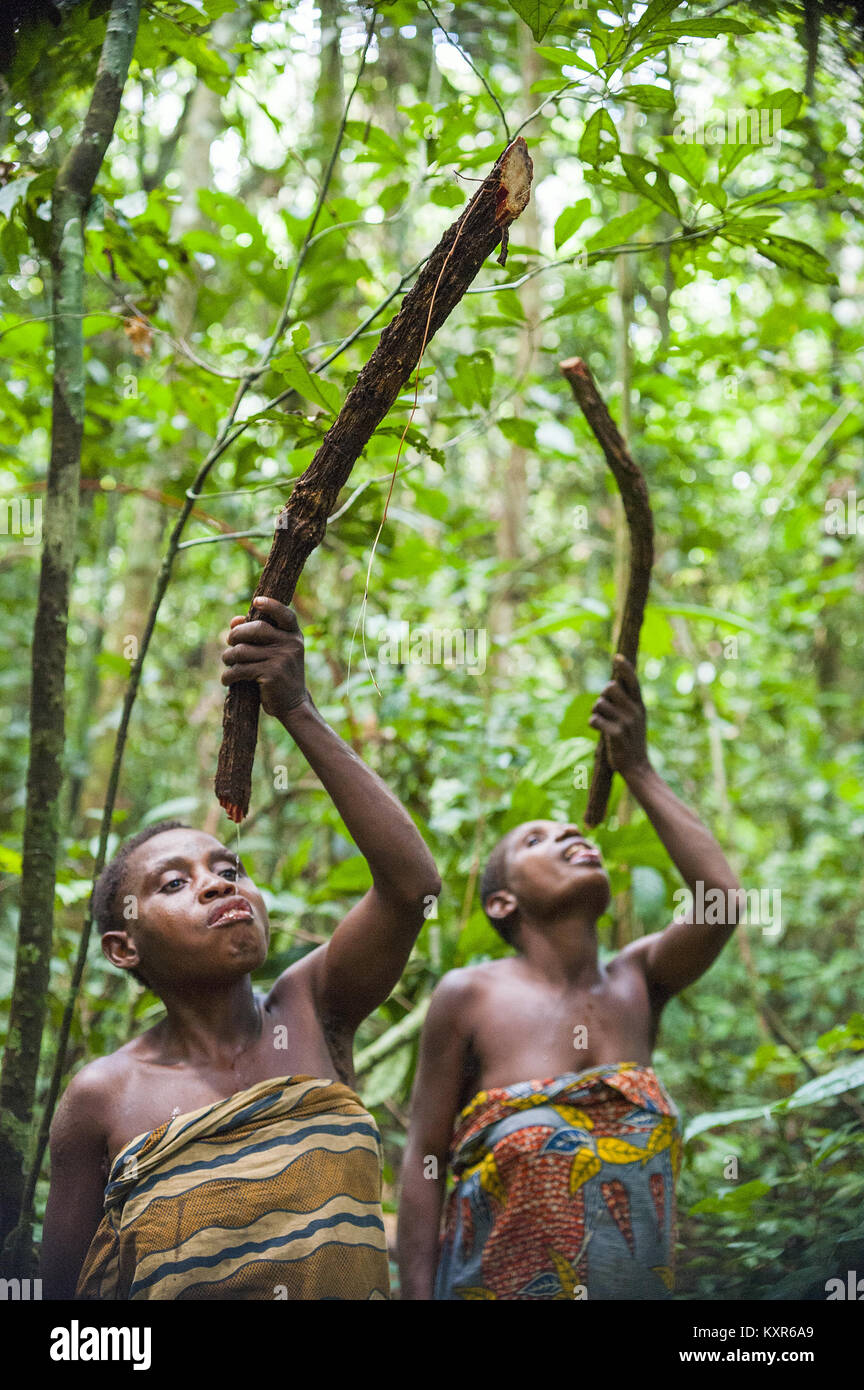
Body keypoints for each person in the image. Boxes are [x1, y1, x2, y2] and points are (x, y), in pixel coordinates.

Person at [42, 597, 440, 1300]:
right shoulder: (101, 1098)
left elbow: (411, 889)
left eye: (230, 870)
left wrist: (297, 709)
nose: (217, 885)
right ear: (122, 947)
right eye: (175, 882)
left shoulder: (316, 1008)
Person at [397, 654, 740, 1301]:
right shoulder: (469, 995)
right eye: (537, 840)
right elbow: (424, 1159)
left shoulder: (639, 980)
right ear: (502, 903)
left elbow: (721, 900)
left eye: (572, 831)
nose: (569, 836)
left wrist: (636, 765)